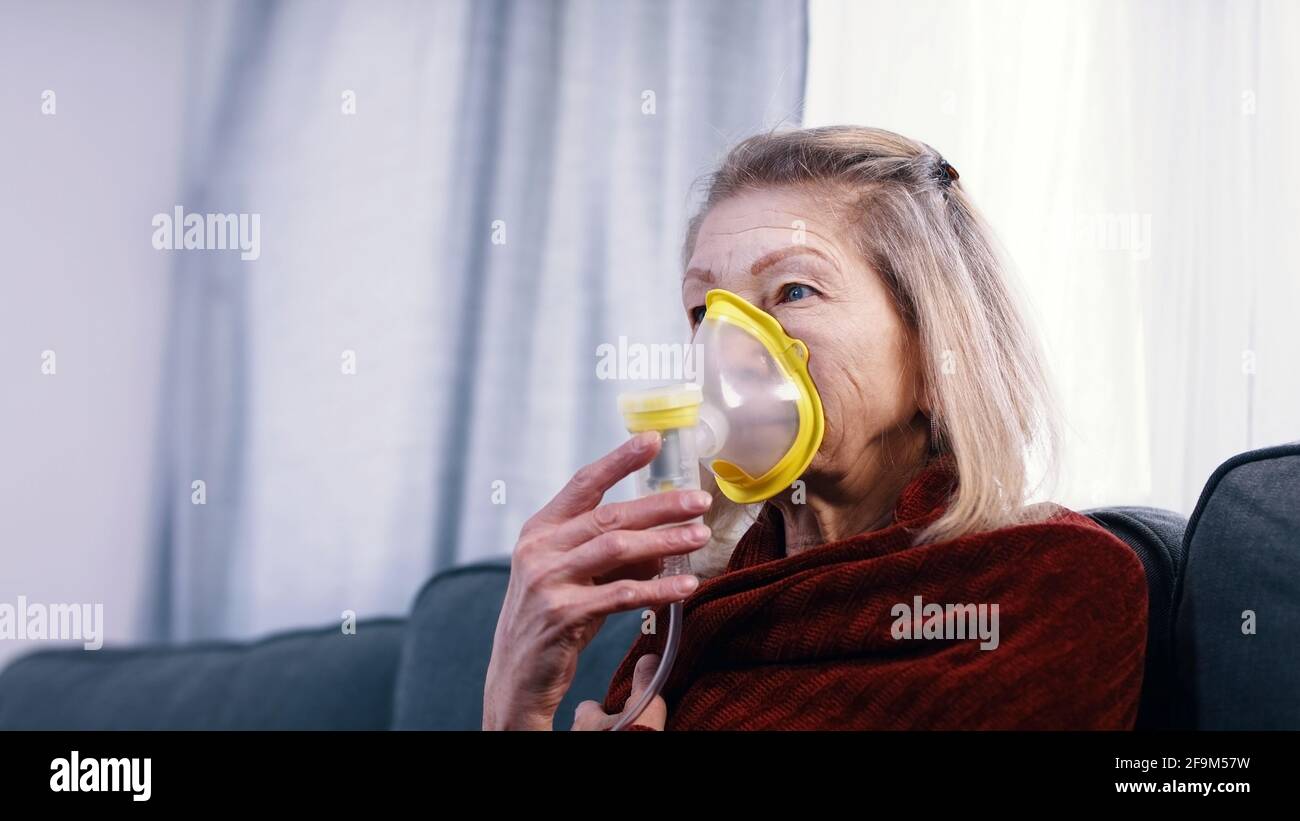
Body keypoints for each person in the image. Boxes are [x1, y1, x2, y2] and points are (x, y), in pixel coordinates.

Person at [482, 126, 1148, 731]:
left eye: (794, 291)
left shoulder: (1047, 581)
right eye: (703, 311)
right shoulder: (691, 612)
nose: (727, 348)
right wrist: (515, 704)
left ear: (935, 354)